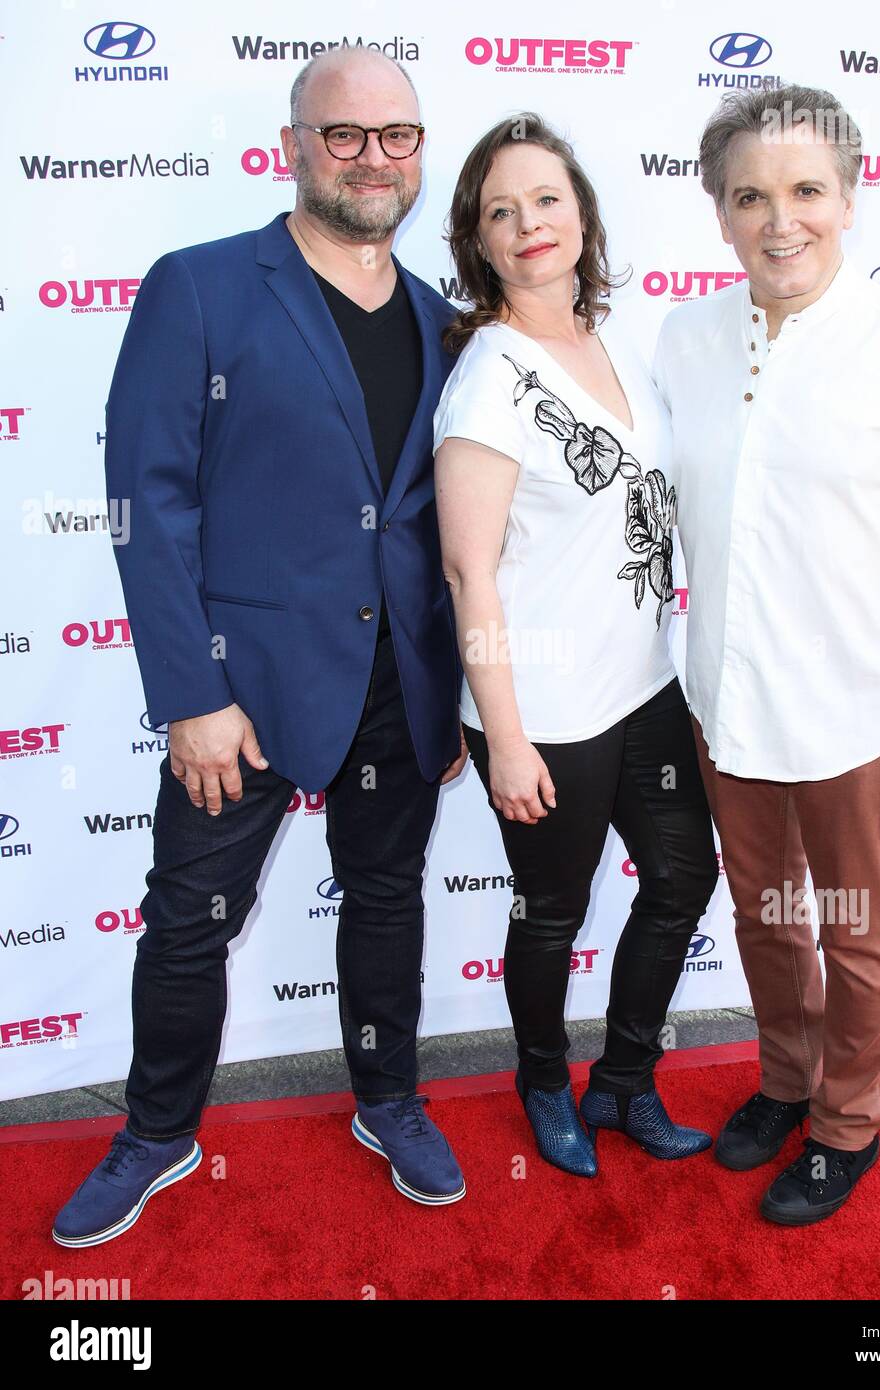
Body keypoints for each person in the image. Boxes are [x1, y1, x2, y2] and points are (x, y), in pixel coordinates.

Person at [53, 47, 469, 1248]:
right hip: (241, 687)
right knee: (190, 918)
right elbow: (148, 499)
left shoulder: (448, 318)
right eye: (344, 136)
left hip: (399, 680)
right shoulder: (199, 287)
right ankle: (156, 1128)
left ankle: (387, 1097)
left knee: (384, 897)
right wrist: (190, 692)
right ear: (292, 145)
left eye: (396, 136)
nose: (372, 158)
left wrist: (456, 689)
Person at [653, 83, 880, 1224]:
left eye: (803, 190)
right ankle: (784, 1082)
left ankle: (846, 1123)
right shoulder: (685, 338)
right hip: (726, 707)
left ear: (848, 198)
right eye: (749, 195)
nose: (777, 219)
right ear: (718, 213)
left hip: (852, 720)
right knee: (762, 920)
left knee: (852, 932)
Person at [433, 113, 720, 1178]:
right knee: (550, 912)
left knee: (682, 875)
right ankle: (543, 1080)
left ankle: (625, 1082)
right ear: (479, 243)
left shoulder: (613, 342)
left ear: (582, 215)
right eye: (500, 211)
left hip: (640, 683)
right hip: (542, 705)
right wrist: (503, 741)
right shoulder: (488, 380)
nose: (528, 223)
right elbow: (468, 572)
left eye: (545, 199)